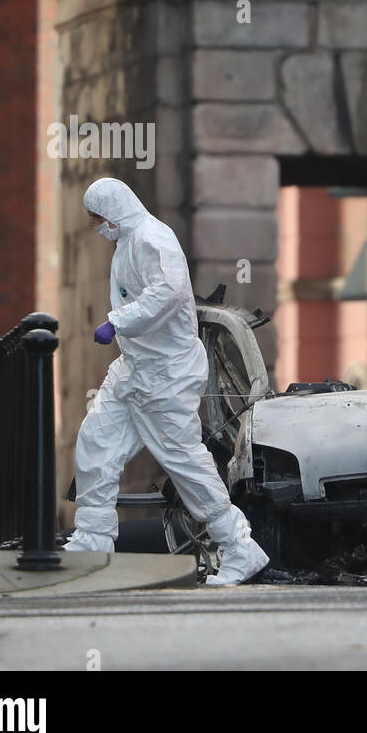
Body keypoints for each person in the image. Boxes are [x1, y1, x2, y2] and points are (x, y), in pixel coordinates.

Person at [65, 177, 269, 586]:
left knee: (186, 464)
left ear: (114, 211)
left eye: (98, 218)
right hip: (137, 369)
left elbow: (170, 293)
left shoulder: (152, 239)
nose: (96, 226)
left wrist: (117, 322)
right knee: (96, 442)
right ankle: (92, 540)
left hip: (166, 376)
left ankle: (239, 547)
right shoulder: (128, 241)